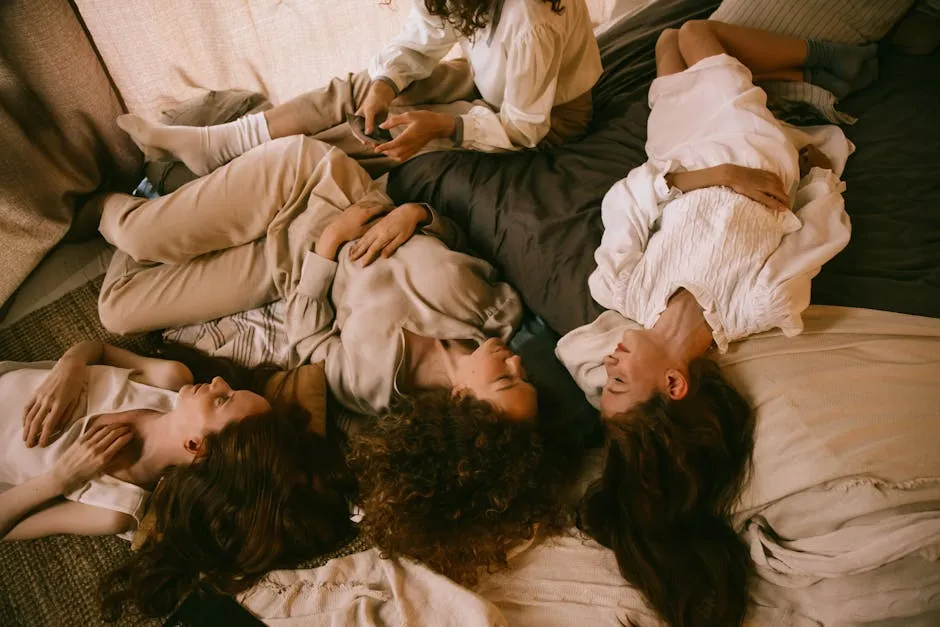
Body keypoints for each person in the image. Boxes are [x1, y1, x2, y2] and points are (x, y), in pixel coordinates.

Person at [556, 20, 870, 627]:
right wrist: (808, 167)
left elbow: (625, 197)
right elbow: (822, 226)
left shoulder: (620, 288)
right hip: (748, 142)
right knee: (696, 32)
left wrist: (709, 178)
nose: (610, 361)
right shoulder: (765, 304)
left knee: (664, 44)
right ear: (675, 385)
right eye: (619, 381)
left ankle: (797, 81)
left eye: (605, 378)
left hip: (678, 154)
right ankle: (835, 54)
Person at [114, 0, 602, 178]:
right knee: (361, 90)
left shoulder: (530, 21)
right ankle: (219, 144)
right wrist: (385, 83)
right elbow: (425, 35)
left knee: (396, 133)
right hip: (496, 77)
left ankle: (242, 164)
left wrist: (447, 125)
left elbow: (525, 128)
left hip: (546, 119)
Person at [0, 340, 347, 554]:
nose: (217, 381)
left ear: (195, 445)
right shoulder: (169, 381)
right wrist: (71, 365)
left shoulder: (114, 507)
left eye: (222, 400)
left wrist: (58, 480)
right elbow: (100, 349)